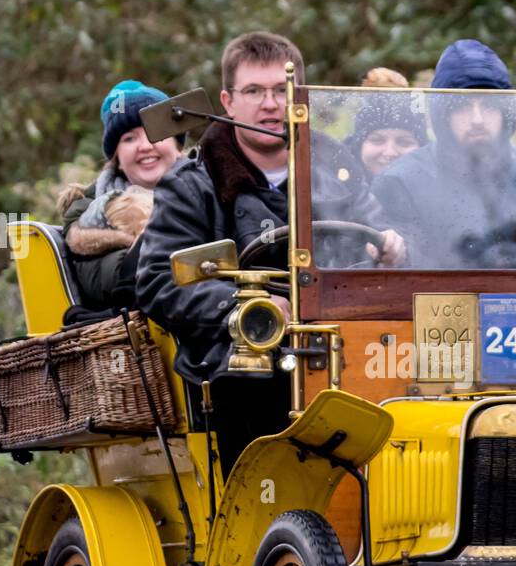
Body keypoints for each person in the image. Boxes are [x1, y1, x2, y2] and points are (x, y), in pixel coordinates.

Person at [135, 32, 406, 469]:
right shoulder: (193, 182)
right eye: (254, 91)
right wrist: (256, 310)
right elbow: (157, 280)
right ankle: (260, 515)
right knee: (254, 371)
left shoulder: (337, 167)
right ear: (228, 101)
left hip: (339, 344)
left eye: (283, 91)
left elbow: (375, 235)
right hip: (240, 360)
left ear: (300, 96)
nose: (270, 104)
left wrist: (394, 252)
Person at [373, 39, 516, 270]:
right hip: (441, 304)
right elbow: (396, 276)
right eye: (462, 106)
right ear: (442, 114)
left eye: (488, 105)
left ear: (505, 110)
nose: (477, 119)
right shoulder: (400, 181)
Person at [59, 81, 184, 311]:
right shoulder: (88, 213)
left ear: (177, 143)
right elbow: (103, 283)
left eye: (154, 133)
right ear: (116, 156)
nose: (145, 146)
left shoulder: (214, 187)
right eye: (129, 138)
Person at [346, 85, 427, 178]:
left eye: (404, 142)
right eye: (377, 140)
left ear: (422, 148)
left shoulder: (439, 184)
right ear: (358, 146)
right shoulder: (332, 183)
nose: (390, 153)